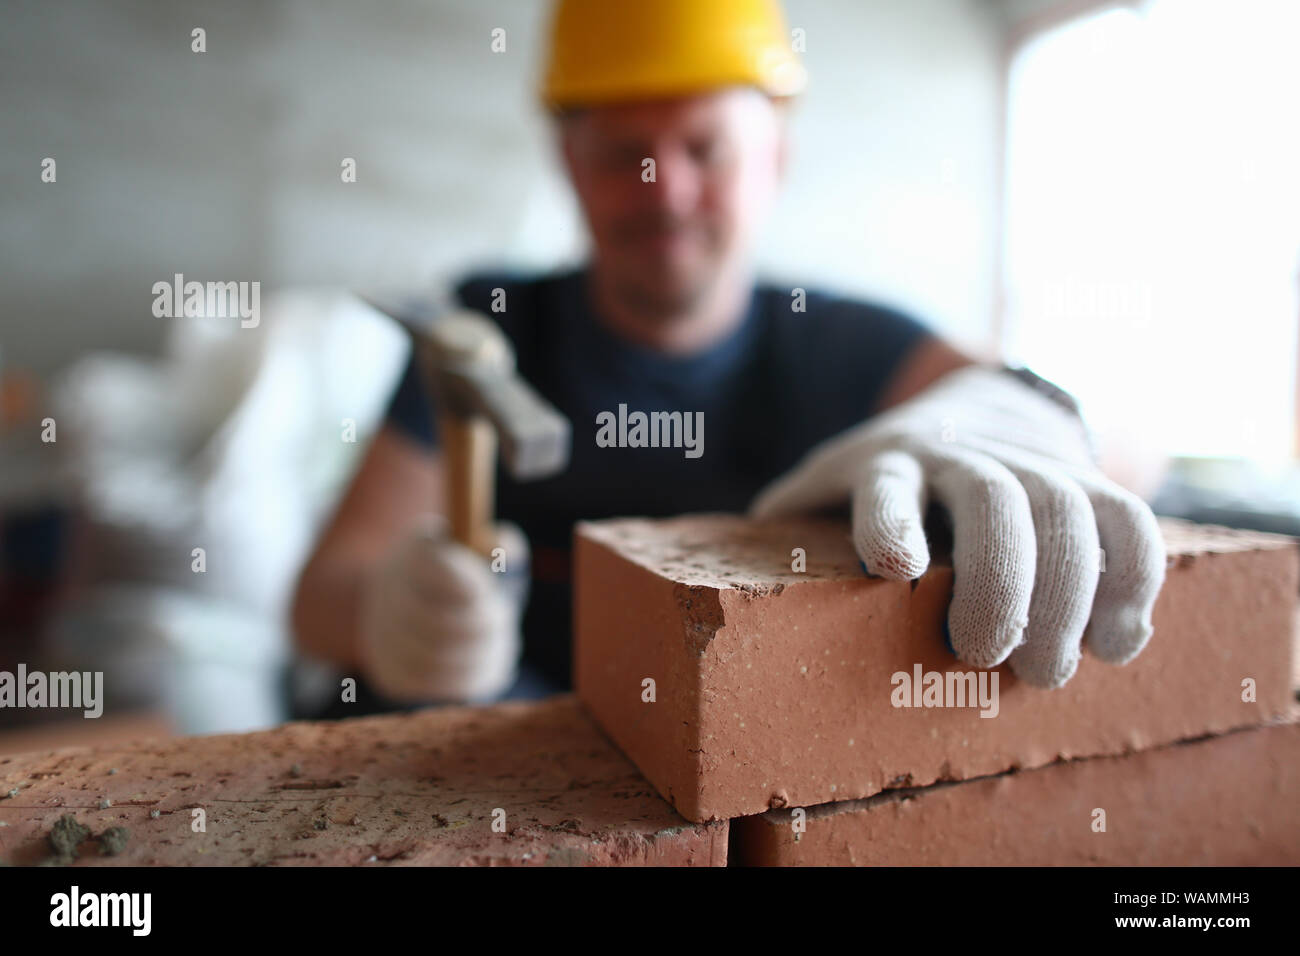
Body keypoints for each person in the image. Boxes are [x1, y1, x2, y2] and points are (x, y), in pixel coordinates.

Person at [290, 0, 1164, 716]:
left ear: (774, 155)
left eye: (703, 148)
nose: (662, 190)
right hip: (510, 766)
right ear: (568, 162)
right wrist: (389, 618)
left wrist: (1019, 418)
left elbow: (1138, 448)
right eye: (622, 154)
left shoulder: (848, 347)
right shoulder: (488, 326)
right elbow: (316, 596)